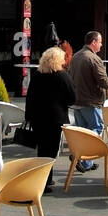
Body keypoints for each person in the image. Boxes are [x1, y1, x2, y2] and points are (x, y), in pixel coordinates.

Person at [68, 30, 108, 172]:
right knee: (96, 129)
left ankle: (85, 162)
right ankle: (79, 155)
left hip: (77, 100)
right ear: (93, 42)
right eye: (100, 42)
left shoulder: (76, 56)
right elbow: (103, 81)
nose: (101, 45)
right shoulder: (93, 58)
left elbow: (70, 76)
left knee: (83, 131)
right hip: (90, 101)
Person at [25, 45, 75, 192]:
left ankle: (45, 178)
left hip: (37, 117)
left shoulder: (37, 75)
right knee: (51, 150)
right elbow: (72, 98)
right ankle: (45, 182)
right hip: (55, 118)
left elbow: (30, 97)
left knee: (42, 149)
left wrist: (28, 116)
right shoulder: (62, 76)